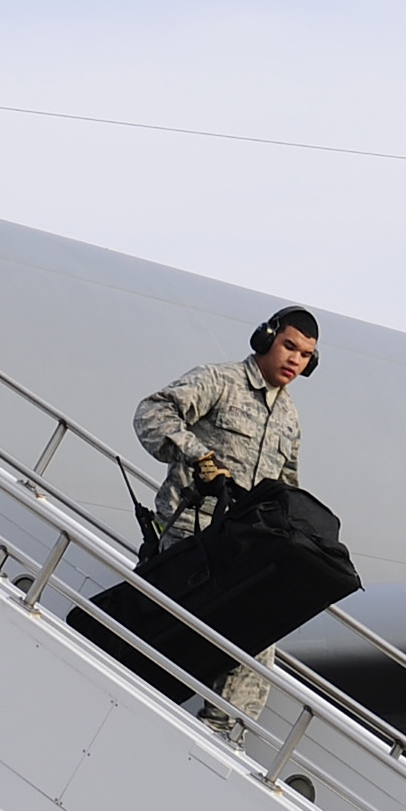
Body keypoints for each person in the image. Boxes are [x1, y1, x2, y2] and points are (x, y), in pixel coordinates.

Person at [129, 308, 317, 744]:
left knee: (257, 642)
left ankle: (219, 736)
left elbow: (284, 489)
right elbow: (152, 413)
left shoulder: (289, 419)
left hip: (241, 547)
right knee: (165, 638)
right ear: (266, 338)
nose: (295, 360)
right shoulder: (220, 381)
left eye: (305, 355)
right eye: (289, 346)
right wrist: (198, 456)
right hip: (188, 534)